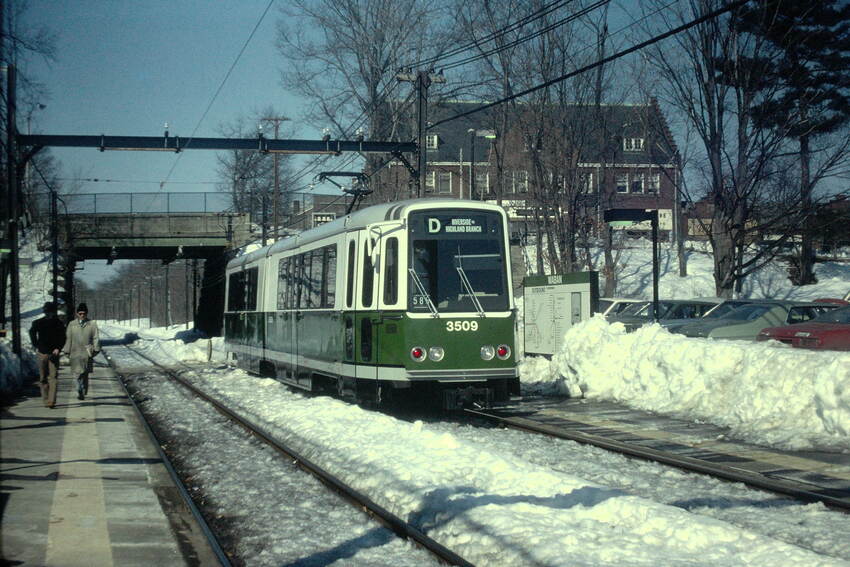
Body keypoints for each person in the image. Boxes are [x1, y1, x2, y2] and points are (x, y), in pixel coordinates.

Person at [28, 301, 66, 408]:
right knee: (43, 378)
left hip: (53, 353)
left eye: (51, 311)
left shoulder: (59, 323)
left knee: (53, 377)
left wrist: (58, 348)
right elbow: (32, 332)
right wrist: (36, 344)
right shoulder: (38, 323)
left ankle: (51, 401)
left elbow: (63, 338)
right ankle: (46, 400)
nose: (49, 313)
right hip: (42, 353)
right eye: (48, 311)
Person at [63, 302, 100, 401]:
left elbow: (96, 337)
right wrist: (66, 350)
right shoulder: (72, 324)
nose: (82, 315)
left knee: (85, 373)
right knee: (77, 373)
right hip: (74, 352)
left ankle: (83, 390)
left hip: (87, 352)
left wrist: (96, 349)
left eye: (84, 313)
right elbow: (68, 338)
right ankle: (79, 389)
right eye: (80, 313)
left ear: (86, 313)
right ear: (77, 314)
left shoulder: (92, 324)